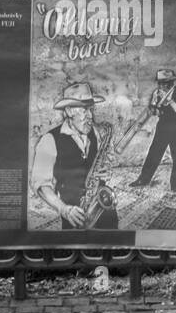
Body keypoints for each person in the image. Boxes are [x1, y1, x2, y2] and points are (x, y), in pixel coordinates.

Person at [31, 82, 119, 230]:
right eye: (84, 110)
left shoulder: (95, 132)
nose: (90, 116)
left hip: (104, 208)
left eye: (90, 109)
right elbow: (41, 186)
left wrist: (107, 170)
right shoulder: (49, 140)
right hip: (75, 217)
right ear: (69, 111)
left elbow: (104, 158)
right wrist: (64, 210)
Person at [129, 69, 176, 193]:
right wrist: (153, 110)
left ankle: (174, 186)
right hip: (163, 126)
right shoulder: (157, 93)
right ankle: (143, 179)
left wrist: (170, 101)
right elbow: (157, 112)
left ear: (171, 82)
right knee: (154, 153)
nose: (161, 86)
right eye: (160, 83)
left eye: (164, 83)